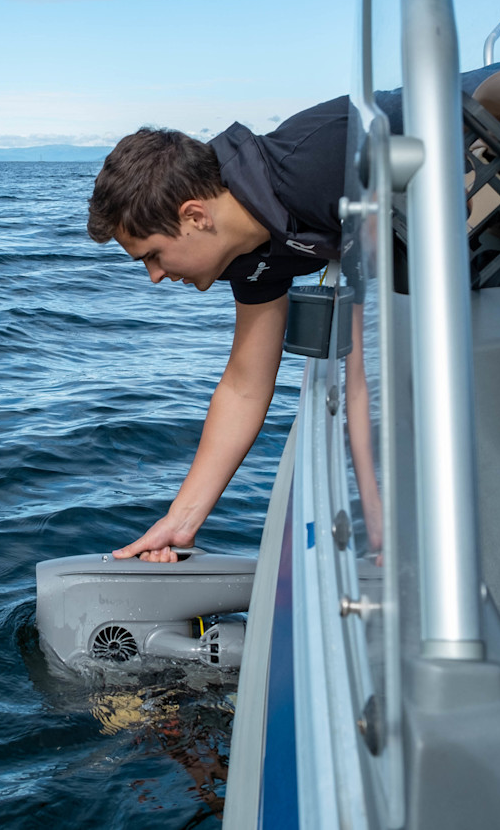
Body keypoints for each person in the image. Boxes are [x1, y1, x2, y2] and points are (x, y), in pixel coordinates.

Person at [87, 96, 382, 563]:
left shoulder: (315, 166)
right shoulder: (250, 254)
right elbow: (245, 385)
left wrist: (380, 526)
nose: (155, 277)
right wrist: (181, 521)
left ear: (195, 216)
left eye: (153, 255)